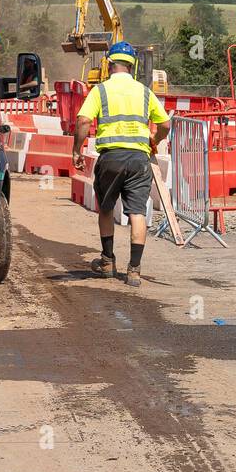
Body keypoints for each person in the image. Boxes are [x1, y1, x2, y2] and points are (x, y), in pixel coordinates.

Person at [71, 41, 170, 287]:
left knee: (105, 208)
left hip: (111, 158)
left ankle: (107, 261)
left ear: (109, 63)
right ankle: (134, 270)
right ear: (132, 66)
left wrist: (76, 150)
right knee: (137, 212)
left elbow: (83, 121)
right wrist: (154, 140)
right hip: (138, 159)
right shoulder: (145, 91)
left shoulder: (100, 91)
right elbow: (166, 124)